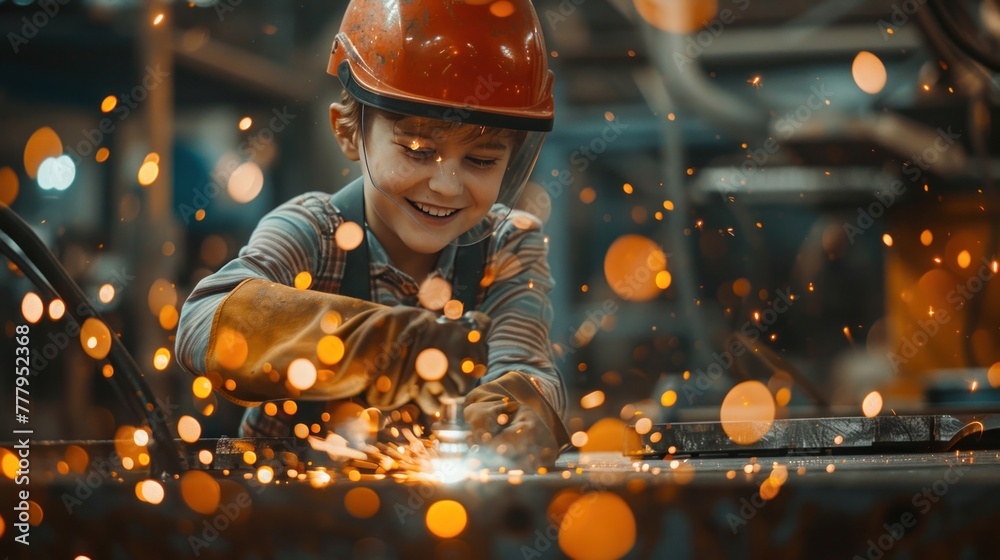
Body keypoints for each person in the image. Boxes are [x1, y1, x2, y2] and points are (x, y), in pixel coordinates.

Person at [175, 0, 568, 469]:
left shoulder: (507, 243)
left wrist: (513, 418)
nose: (446, 186)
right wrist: (392, 347)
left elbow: (523, 368)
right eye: (419, 151)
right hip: (286, 516)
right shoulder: (313, 232)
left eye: (482, 160)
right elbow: (203, 321)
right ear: (348, 131)